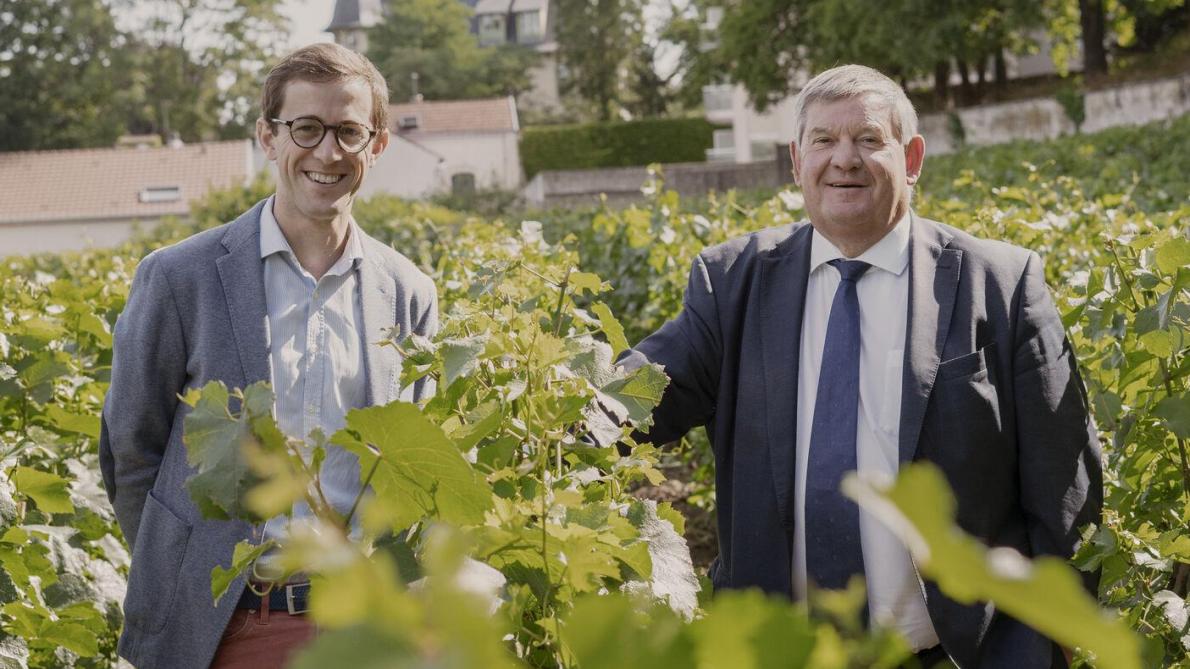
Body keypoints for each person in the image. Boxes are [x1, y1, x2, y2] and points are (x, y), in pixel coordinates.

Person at [619, 64, 1101, 667]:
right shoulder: (732, 285)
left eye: (869, 139)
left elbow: (1066, 486)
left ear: (913, 157)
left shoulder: (998, 284)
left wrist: (1048, 642)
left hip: (956, 654)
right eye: (824, 140)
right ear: (797, 161)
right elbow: (631, 399)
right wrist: (538, 414)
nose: (844, 159)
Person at [99, 43, 437, 669]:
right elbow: (130, 454)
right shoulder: (180, 279)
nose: (327, 152)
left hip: (367, 627)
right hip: (224, 626)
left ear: (378, 146)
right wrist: (183, 564)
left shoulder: (410, 292)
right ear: (268, 137)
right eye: (305, 128)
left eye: (349, 132)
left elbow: (414, 475)